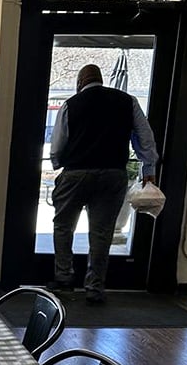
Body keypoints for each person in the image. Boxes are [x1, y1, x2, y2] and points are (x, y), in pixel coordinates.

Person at [49, 63, 158, 305]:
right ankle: (95, 288)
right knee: (101, 233)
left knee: (64, 226)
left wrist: (58, 165)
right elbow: (145, 137)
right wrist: (148, 168)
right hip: (112, 174)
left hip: (76, 173)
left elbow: (57, 145)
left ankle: (64, 279)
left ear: (80, 83)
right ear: (101, 79)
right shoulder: (126, 101)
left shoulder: (71, 104)